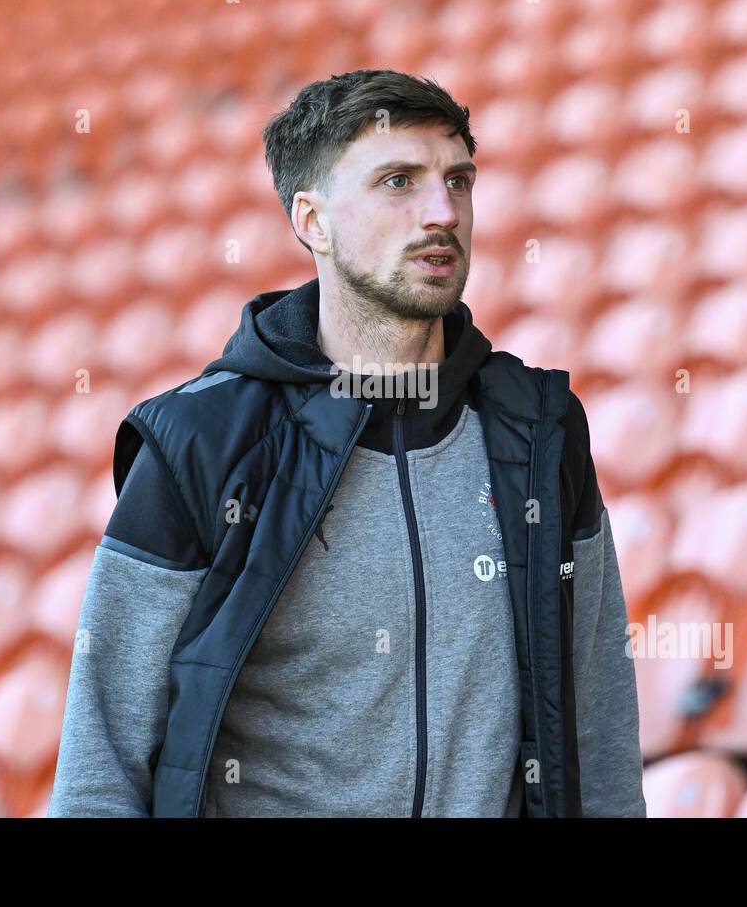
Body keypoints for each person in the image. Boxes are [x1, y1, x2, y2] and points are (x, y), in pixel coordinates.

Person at [48, 69, 645, 817]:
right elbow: (100, 774)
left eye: (458, 182)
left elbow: (598, 736)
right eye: (399, 182)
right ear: (313, 221)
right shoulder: (201, 442)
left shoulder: (539, 433)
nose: (442, 213)